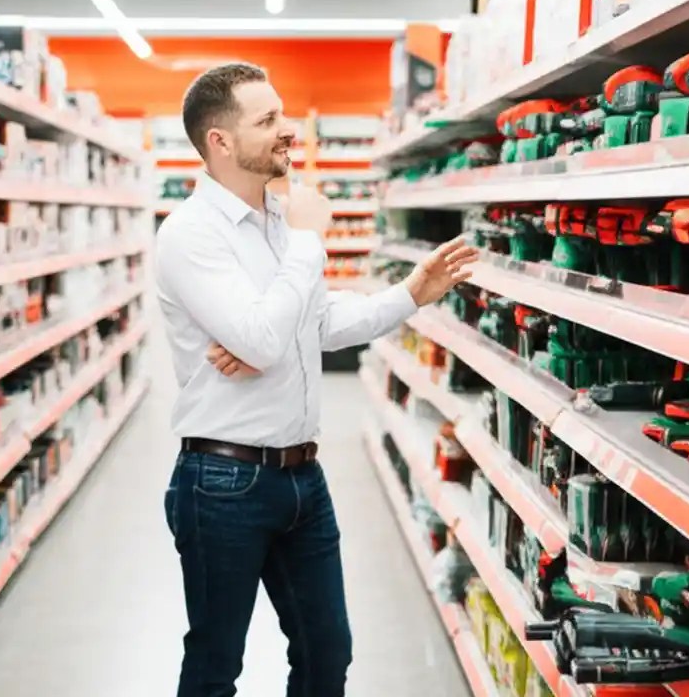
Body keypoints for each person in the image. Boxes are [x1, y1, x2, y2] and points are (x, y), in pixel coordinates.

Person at [155, 62, 477, 697]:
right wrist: (307, 244)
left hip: (303, 475)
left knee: (328, 652)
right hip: (223, 482)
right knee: (217, 663)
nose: (289, 131)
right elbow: (263, 337)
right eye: (268, 120)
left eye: (284, 114)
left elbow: (317, 325)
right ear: (219, 141)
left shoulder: (279, 225)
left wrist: (413, 292)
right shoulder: (190, 235)